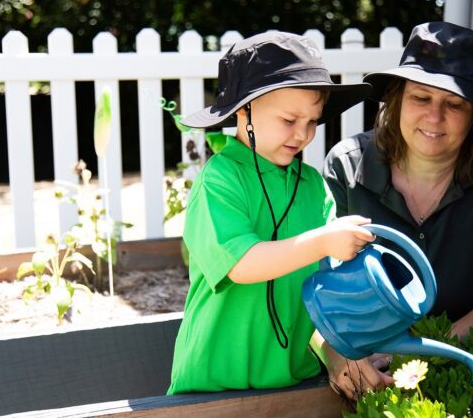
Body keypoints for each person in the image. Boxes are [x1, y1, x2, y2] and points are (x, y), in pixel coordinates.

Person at [167, 31, 392, 399]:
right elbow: (241, 265)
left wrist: (338, 355)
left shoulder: (311, 187)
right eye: (289, 120)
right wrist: (323, 241)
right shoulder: (221, 179)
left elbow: (323, 296)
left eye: (312, 121)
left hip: (294, 386)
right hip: (211, 386)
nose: (302, 135)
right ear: (244, 111)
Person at [324, 22, 473, 338]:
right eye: (421, 97)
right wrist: (349, 357)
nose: (435, 116)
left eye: (454, 103)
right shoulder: (347, 165)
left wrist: (431, 350)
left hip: (470, 357)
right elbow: (322, 286)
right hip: (367, 354)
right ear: (398, 98)